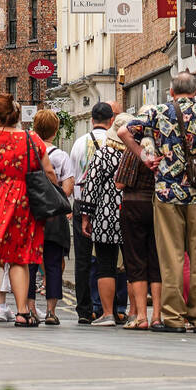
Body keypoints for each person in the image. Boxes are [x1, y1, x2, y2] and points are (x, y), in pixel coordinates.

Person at [119, 72, 196, 333]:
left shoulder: (158, 112)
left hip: (167, 192)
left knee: (171, 257)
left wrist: (144, 156)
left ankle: (173, 318)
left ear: (172, 93)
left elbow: (123, 131)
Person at [0, 93, 58, 327]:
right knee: (20, 258)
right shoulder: (31, 139)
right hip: (22, 201)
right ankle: (22, 312)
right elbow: (49, 173)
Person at [79, 113, 129, 326]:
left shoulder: (103, 154)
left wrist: (85, 216)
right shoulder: (136, 155)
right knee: (134, 266)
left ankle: (107, 314)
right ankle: (135, 313)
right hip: (131, 215)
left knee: (105, 264)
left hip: (106, 216)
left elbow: (91, 187)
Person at [68, 102, 114, 325]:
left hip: (81, 202)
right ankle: (112, 307)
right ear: (111, 120)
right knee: (111, 258)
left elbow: (74, 172)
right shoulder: (114, 142)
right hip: (108, 205)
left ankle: (85, 310)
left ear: (91, 119)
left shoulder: (79, 143)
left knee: (83, 259)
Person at [30, 109, 75, 324]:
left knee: (29, 262)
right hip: (54, 216)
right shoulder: (61, 155)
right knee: (54, 263)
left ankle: (29, 307)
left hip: (32, 213)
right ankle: (51, 311)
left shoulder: (28, 150)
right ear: (55, 131)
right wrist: (55, 196)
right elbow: (68, 186)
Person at [115, 134, 162, 329]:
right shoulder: (161, 150)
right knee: (156, 261)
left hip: (133, 207)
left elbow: (119, 184)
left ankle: (141, 316)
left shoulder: (133, 151)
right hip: (157, 206)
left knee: (136, 260)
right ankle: (157, 315)